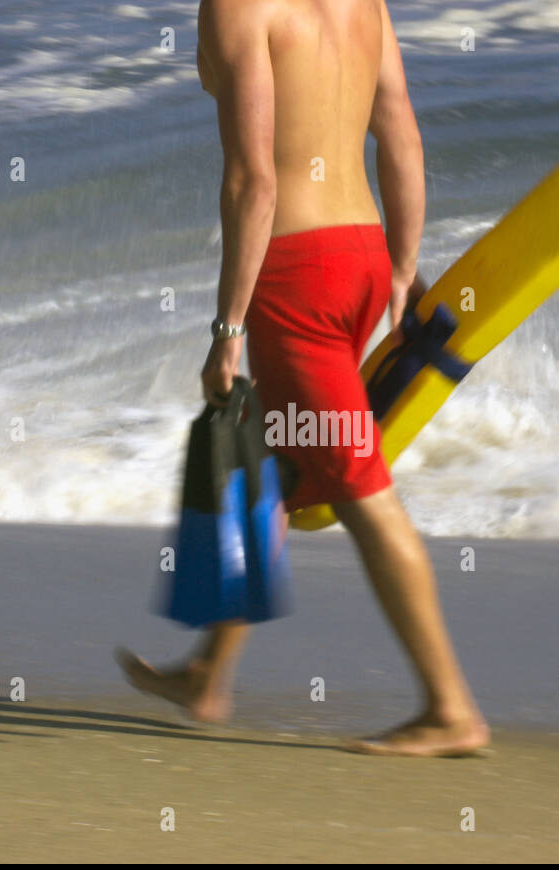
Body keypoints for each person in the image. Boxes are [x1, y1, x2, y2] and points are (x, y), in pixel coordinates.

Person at [117, 0, 489, 756]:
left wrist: (226, 332)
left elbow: (254, 181)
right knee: (281, 466)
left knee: (359, 484)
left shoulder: (237, 8)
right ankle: (208, 675)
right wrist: (403, 266)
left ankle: (451, 708)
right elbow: (402, 132)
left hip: (297, 280)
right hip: (359, 259)